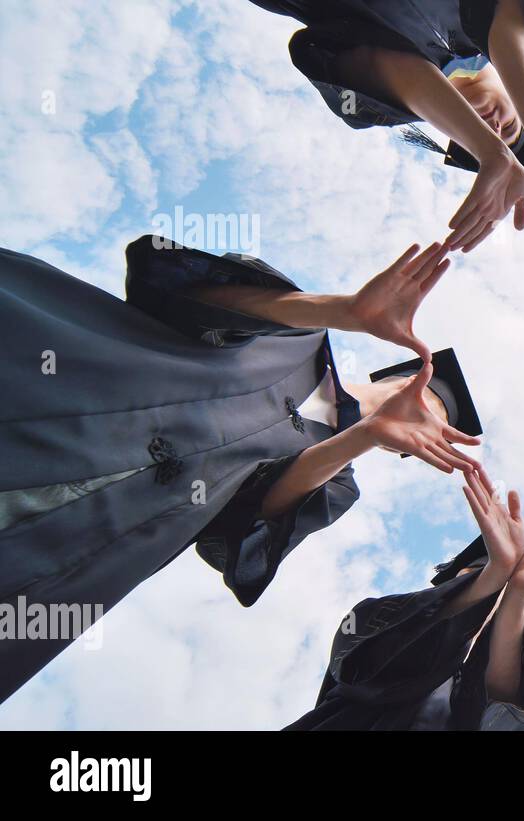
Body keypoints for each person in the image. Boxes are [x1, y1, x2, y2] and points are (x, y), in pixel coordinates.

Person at [0, 236, 480, 702]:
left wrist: (364, 435)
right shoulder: (299, 334)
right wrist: (342, 311)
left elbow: (250, 522)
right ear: (403, 371)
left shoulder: (336, 481)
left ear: (408, 451)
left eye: (432, 427)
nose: (420, 412)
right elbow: (185, 296)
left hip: (89, 525)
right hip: (71, 382)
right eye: (427, 395)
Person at [252, 0, 524, 253]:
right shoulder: (504, 27)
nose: (494, 129)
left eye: (483, 137)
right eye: (509, 131)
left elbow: (393, 69)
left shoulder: (385, 102)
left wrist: (492, 153)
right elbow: (506, 23)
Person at [287, 469, 524, 730]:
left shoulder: (494, 670)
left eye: (500, 590)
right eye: (474, 574)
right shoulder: (380, 616)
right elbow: (373, 665)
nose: (494, 591)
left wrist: (517, 594)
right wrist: (492, 574)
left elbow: (498, 704)